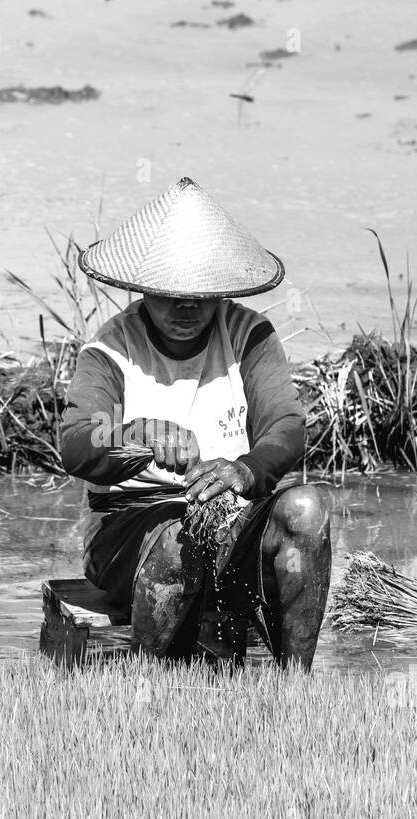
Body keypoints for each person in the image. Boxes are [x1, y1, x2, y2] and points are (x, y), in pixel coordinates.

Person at [60, 177, 331, 668]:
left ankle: (298, 691)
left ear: (220, 289)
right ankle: (158, 686)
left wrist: (245, 470)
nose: (186, 308)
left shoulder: (250, 335)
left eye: (200, 296)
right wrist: (138, 435)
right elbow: (79, 442)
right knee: (175, 534)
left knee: (306, 509)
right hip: (131, 524)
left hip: (231, 515)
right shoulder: (110, 350)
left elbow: (286, 428)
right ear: (142, 288)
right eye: (170, 296)